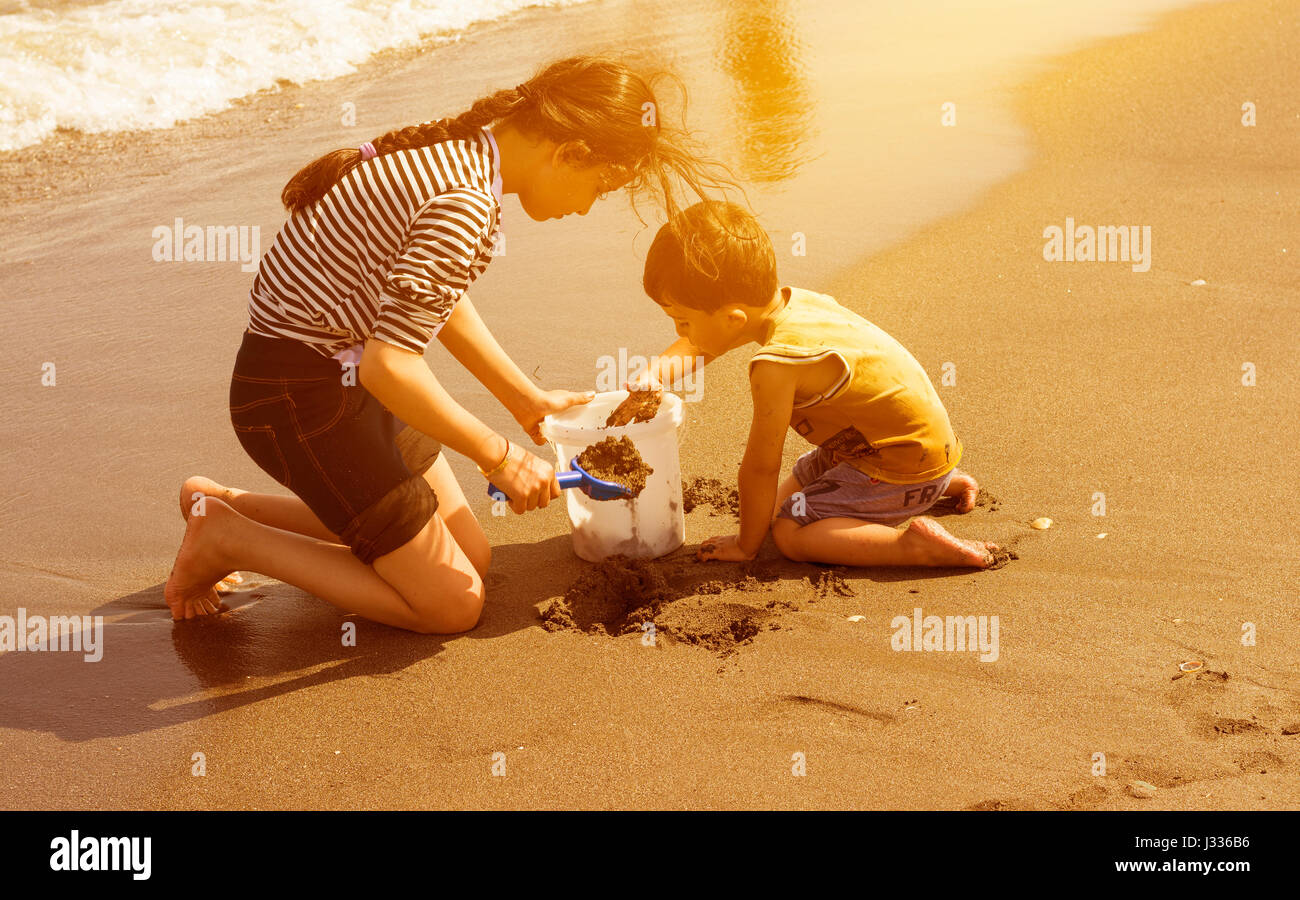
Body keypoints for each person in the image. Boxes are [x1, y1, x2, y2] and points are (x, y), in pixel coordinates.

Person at [165, 56, 730, 630]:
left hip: (341, 375)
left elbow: (437, 297)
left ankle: (225, 504)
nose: (584, 206)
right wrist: (500, 456)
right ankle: (229, 539)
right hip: (298, 399)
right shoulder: (465, 204)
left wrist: (524, 399)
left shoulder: (464, 158)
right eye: (598, 187)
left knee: (472, 557)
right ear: (570, 153)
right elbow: (389, 368)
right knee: (451, 605)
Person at [637, 201, 1001, 568]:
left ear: (733, 318)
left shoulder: (776, 365)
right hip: (911, 447)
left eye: (682, 321)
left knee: (788, 531)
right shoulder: (797, 304)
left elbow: (762, 465)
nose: (679, 332)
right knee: (780, 503)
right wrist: (654, 375)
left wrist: (745, 546)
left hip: (895, 465)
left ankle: (911, 545)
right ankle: (937, 484)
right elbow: (706, 343)